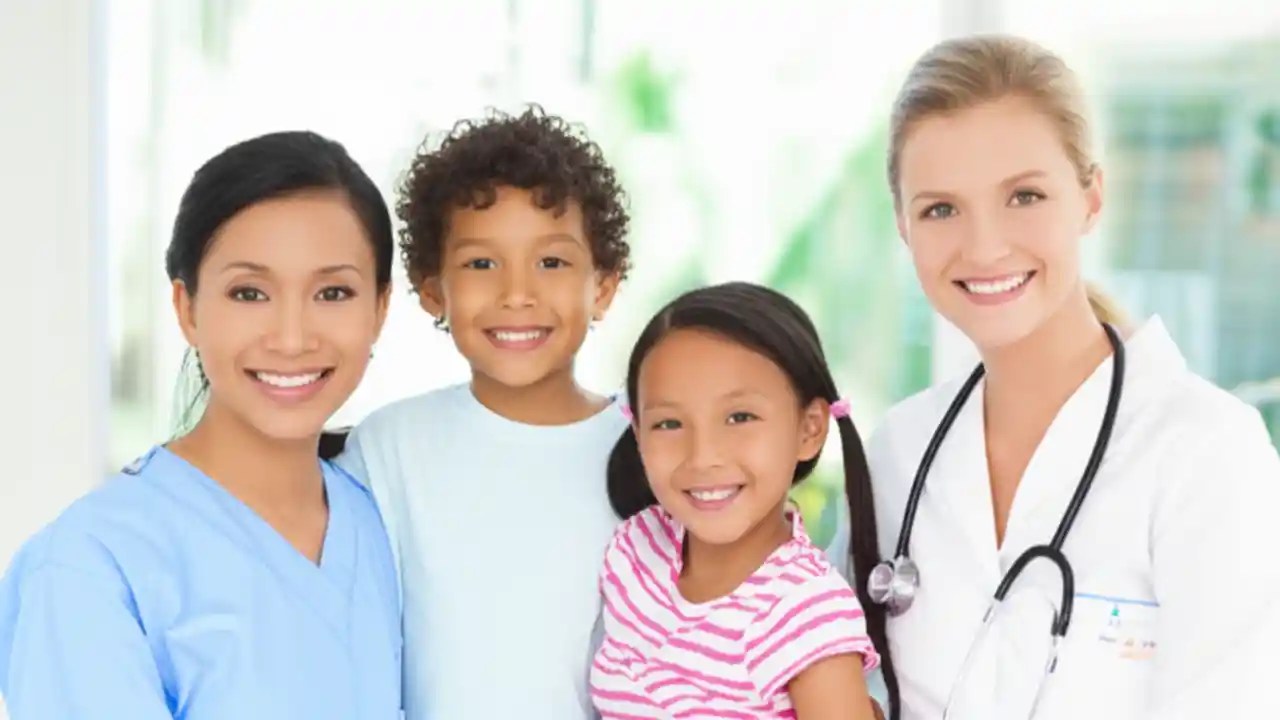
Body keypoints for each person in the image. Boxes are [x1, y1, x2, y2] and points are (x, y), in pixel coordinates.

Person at [829, 34, 1280, 719]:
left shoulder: (1208, 452)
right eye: (941, 209)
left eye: (1025, 196)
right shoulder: (896, 455)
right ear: (902, 225)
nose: (983, 246)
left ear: (1091, 198)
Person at [0, 131, 401, 718]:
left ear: (380, 309)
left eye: (333, 292)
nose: (292, 337)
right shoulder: (90, 565)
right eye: (249, 293)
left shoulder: (387, 521)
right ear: (187, 309)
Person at [334, 106, 632, 719]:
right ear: (433, 289)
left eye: (551, 262)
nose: (516, 293)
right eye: (480, 264)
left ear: (602, 285)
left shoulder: (652, 446)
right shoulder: (390, 448)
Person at [595, 281, 892, 719]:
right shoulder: (637, 549)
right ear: (638, 433)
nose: (704, 456)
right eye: (669, 423)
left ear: (809, 429)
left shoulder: (801, 609)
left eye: (739, 417)